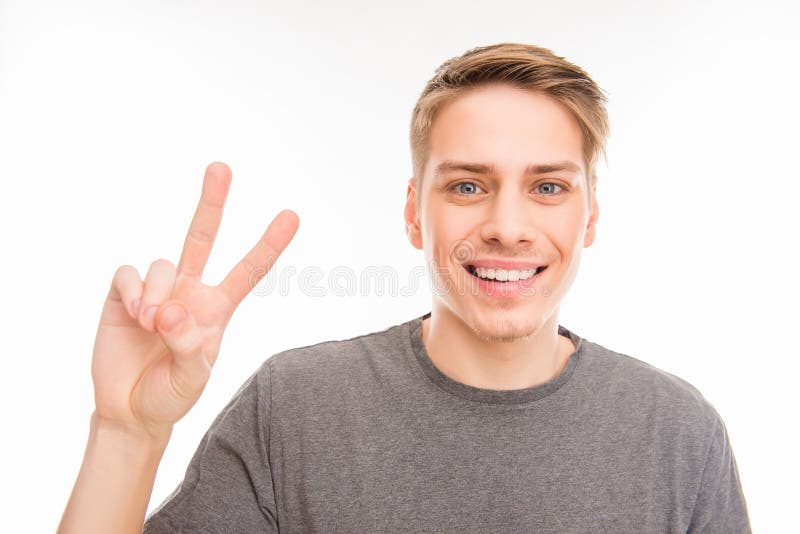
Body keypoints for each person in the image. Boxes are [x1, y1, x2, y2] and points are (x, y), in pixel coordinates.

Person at [58, 43, 751, 533]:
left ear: (590, 215)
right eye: (468, 185)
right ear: (415, 212)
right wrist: (125, 434)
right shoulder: (295, 411)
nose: (507, 226)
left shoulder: (680, 436)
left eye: (547, 187)